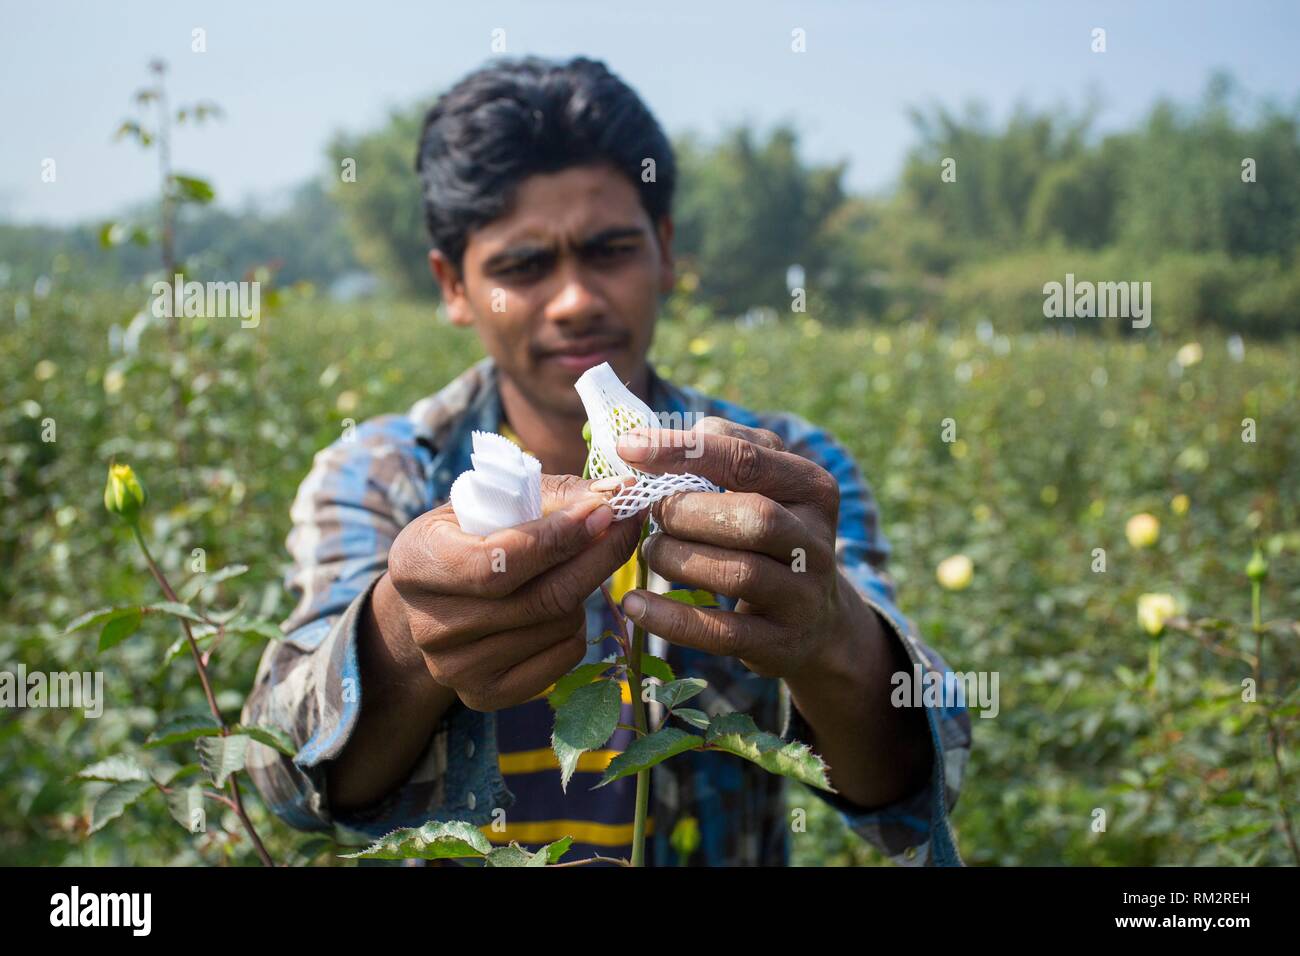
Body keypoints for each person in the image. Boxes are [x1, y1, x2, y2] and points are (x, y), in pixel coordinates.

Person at [242, 55, 971, 866]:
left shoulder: (783, 473)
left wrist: (830, 632)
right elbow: (281, 778)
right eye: (522, 266)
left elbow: (916, 786)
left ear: (664, 252)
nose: (576, 299)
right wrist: (406, 637)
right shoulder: (379, 474)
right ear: (453, 285)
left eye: (610, 250)